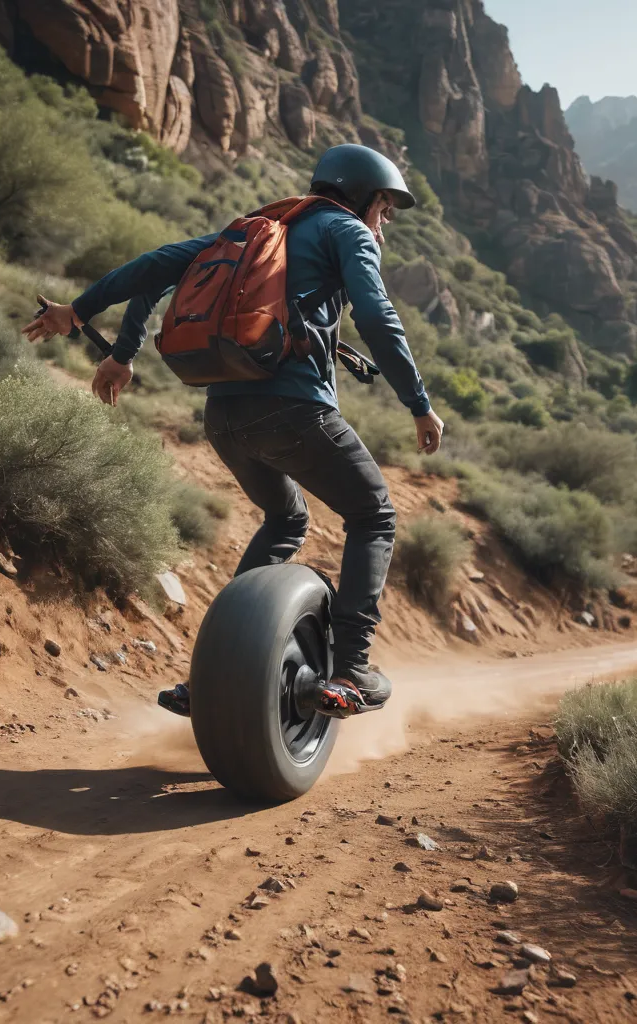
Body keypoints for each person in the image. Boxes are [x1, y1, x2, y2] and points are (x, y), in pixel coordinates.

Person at [23, 144, 444, 718]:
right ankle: (351, 669)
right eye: (386, 207)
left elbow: (155, 269)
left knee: (287, 518)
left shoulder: (254, 232)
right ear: (364, 197)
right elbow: (376, 317)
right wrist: (419, 404)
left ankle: (214, 677)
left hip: (225, 417)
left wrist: (100, 331)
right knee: (374, 515)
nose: (386, 221)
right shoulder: (348, 232)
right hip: (295, 411)